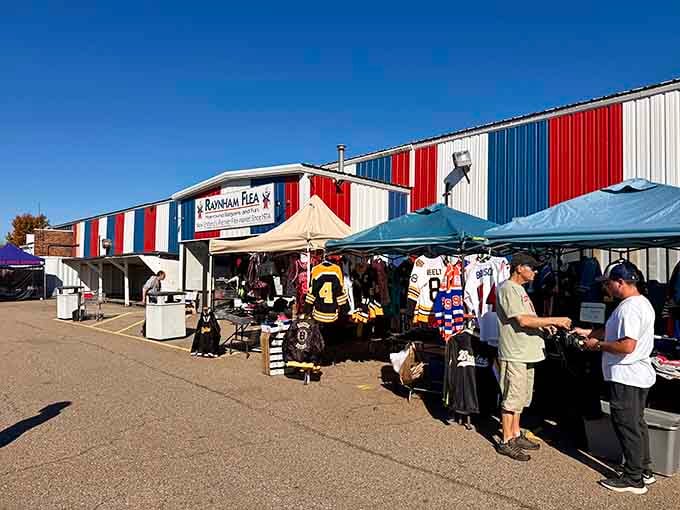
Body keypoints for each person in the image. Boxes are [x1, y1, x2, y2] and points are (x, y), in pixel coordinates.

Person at [575, 261, 656, 494]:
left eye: (608, 283)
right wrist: (588, 332)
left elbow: (627, 345)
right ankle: (644, 470)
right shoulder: (638, 303)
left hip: (627, 375)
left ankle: (633, 478)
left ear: (620, 282)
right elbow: (615, 331)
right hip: (637, 375)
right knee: (637, 424)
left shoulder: (630, 308)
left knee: (627, 426)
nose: (606, 288)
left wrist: (596, 345)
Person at [495, 253, 572, 461]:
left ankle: (516, 433)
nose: (536, 271)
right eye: (532, 267)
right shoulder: (508, 288)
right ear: (519, 268)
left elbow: (530, 319)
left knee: (521, 396)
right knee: (512, 397)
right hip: (515, 352)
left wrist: (545, 325)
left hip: (526, 351)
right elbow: (522, 320)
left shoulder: (520, 290)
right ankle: (506, 440)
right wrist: (555, 320)